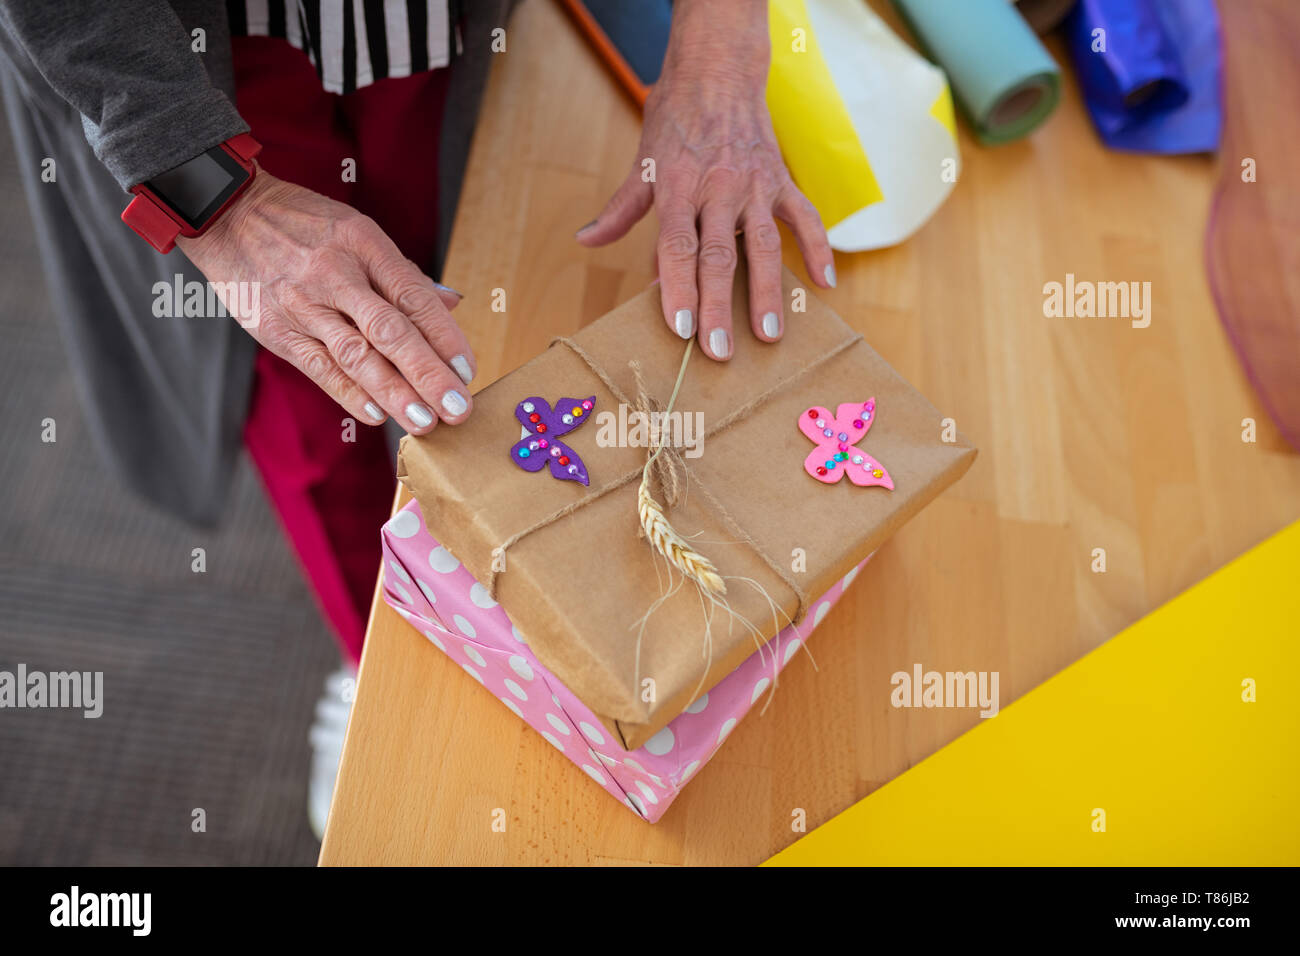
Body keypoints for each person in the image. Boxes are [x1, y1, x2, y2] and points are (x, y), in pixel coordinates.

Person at [0, 0, 834, 837]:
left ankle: (486, 617)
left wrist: (719, 55)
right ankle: (374, 656)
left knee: (453, 281)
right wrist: (208, 194)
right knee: (313, 374)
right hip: (184, 40)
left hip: (435, 24)